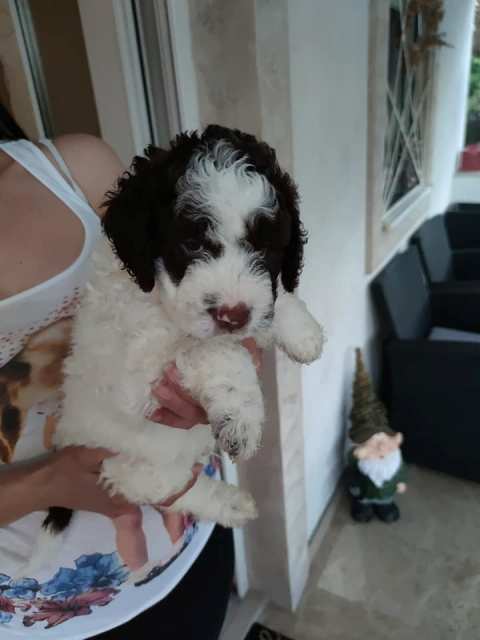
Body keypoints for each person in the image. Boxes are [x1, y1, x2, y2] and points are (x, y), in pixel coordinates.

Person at [0, 102, 260, 638]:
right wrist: (48, 481)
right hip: (54, 617)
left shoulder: (77, 172)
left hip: (193, 546)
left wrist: (227, 364)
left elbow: (201, 302)